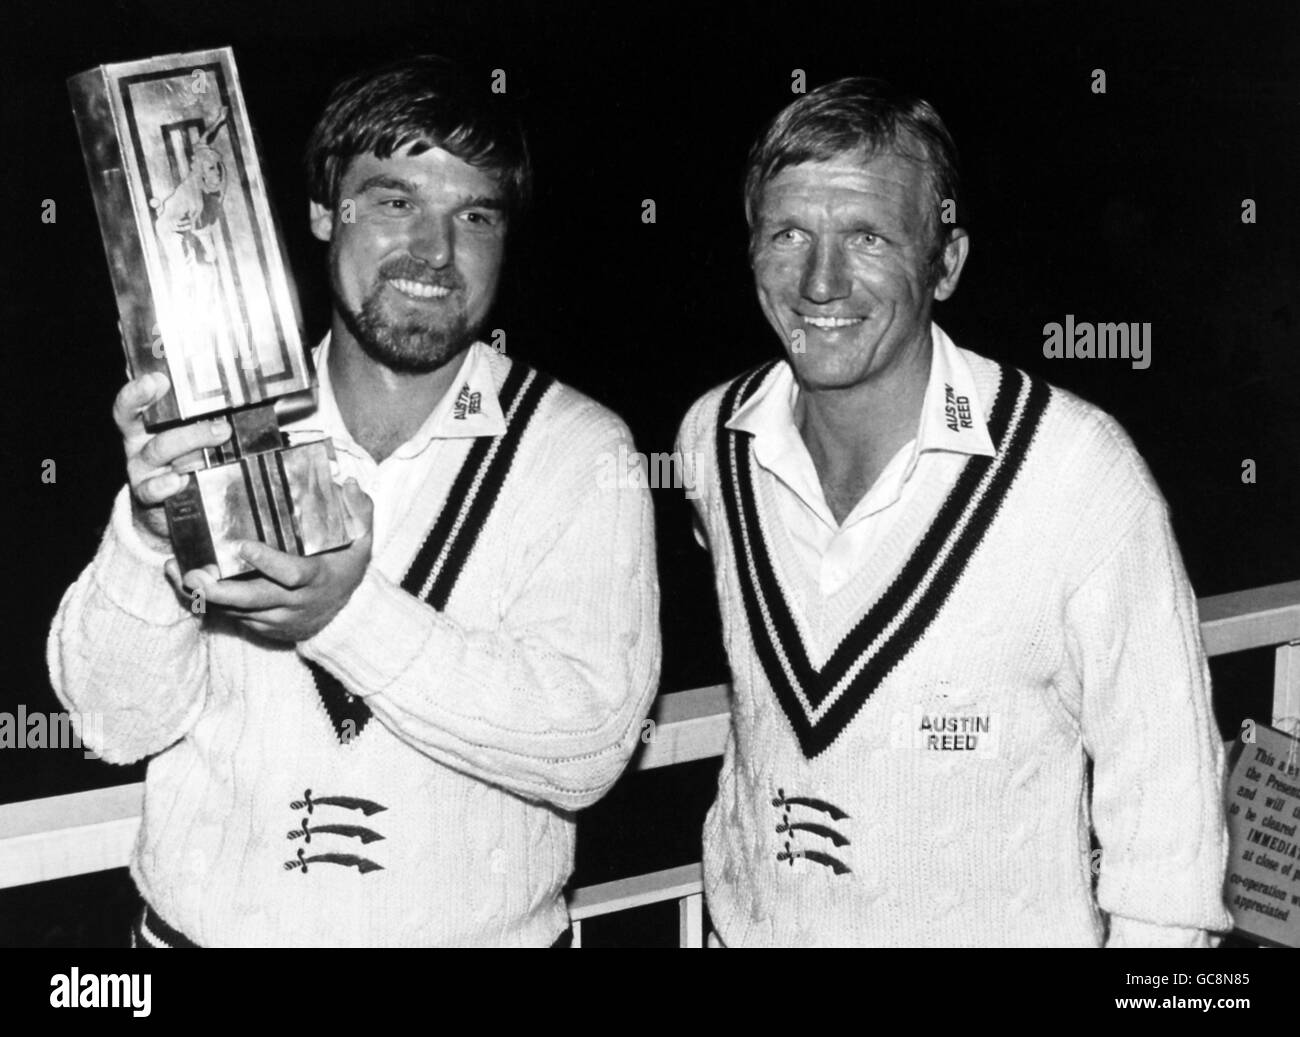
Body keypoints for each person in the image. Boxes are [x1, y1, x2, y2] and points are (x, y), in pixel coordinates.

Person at [48, 55, 661, 947]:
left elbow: (588, 746)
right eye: (394, 201)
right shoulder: (222, 422)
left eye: (475, 215)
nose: (435, 251)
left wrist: (344, 616)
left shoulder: (579, 450)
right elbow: (112, 722)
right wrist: (147, 535)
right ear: (324, 212)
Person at [675, 77, 1233, 946]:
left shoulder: (1074, 471)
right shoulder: (715, 438)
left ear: (947, 260)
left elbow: (1171, 835)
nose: (821, 281)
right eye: (789, 232)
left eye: (867, 236)